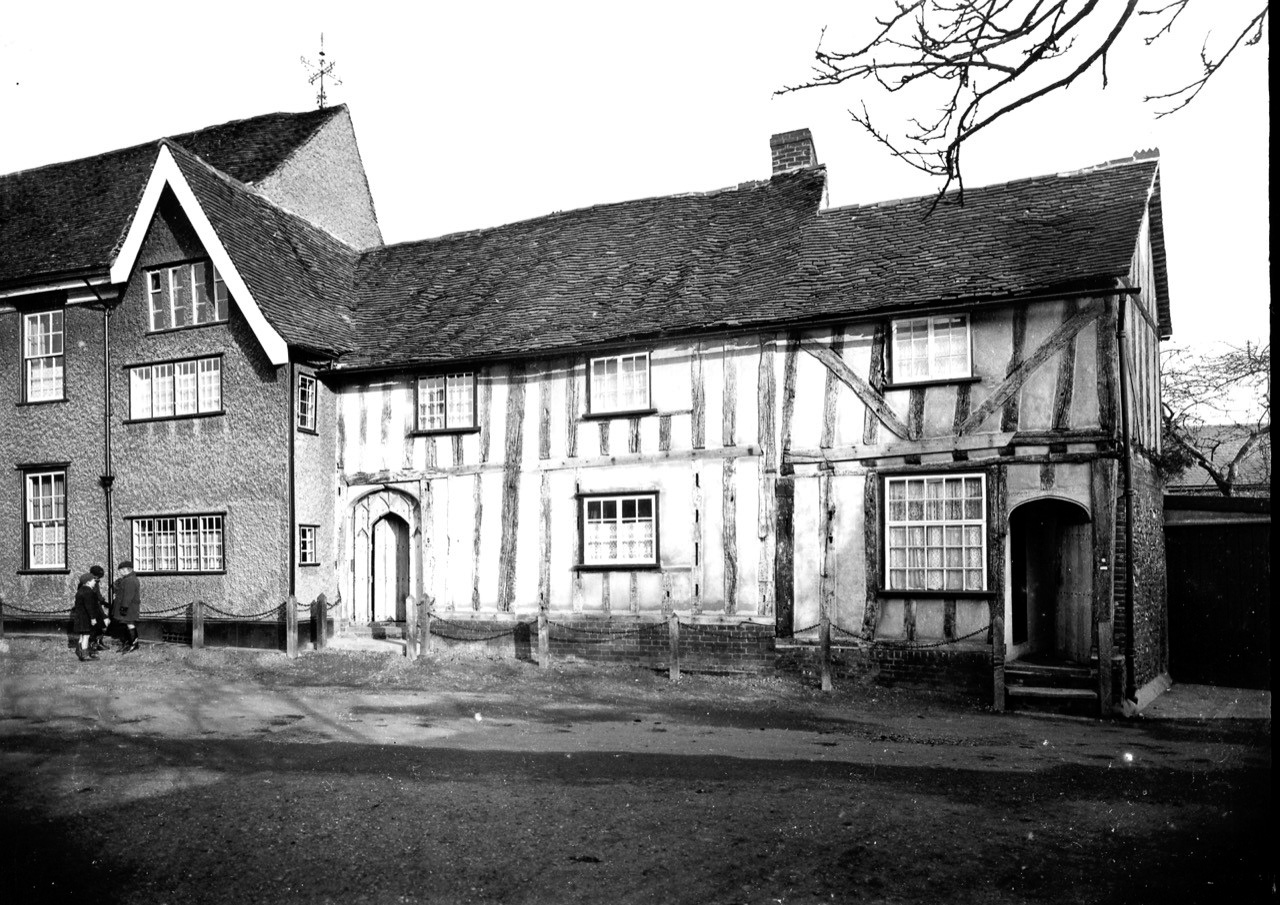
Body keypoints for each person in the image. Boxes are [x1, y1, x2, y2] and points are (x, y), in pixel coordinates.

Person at [71, 573, 103, 662]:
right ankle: (84, 656)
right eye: (93, 581)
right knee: (86, 636)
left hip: (80, 617)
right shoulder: (88, 591)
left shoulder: (80, 590)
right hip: (86, 618)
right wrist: (93, 618)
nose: (95, 583)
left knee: (82, 635)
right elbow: (89, 607)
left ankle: (80, 651)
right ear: (88, 582)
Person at [112, 560, 141, 654]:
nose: (119, 572)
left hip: (129, 607)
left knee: (130, 624)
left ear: (125, 570)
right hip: (127, 606)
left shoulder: (130, 580)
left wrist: (124, 607)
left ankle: (134, 644)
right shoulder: (128, 579)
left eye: (120, 570)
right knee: (127, 624)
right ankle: (129, 643)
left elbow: (128, 596)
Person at [88, 564, 111, 652]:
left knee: (104, 623)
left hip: (96, 606)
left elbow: (98, 595)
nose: (98, 579)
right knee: (101, 624)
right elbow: (95, 595)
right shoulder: (90, 582)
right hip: (93, 607)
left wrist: (103, 601)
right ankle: (95, 643)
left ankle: (97, 642)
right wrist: (102, 601)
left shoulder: (95, 582)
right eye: (97, 577)